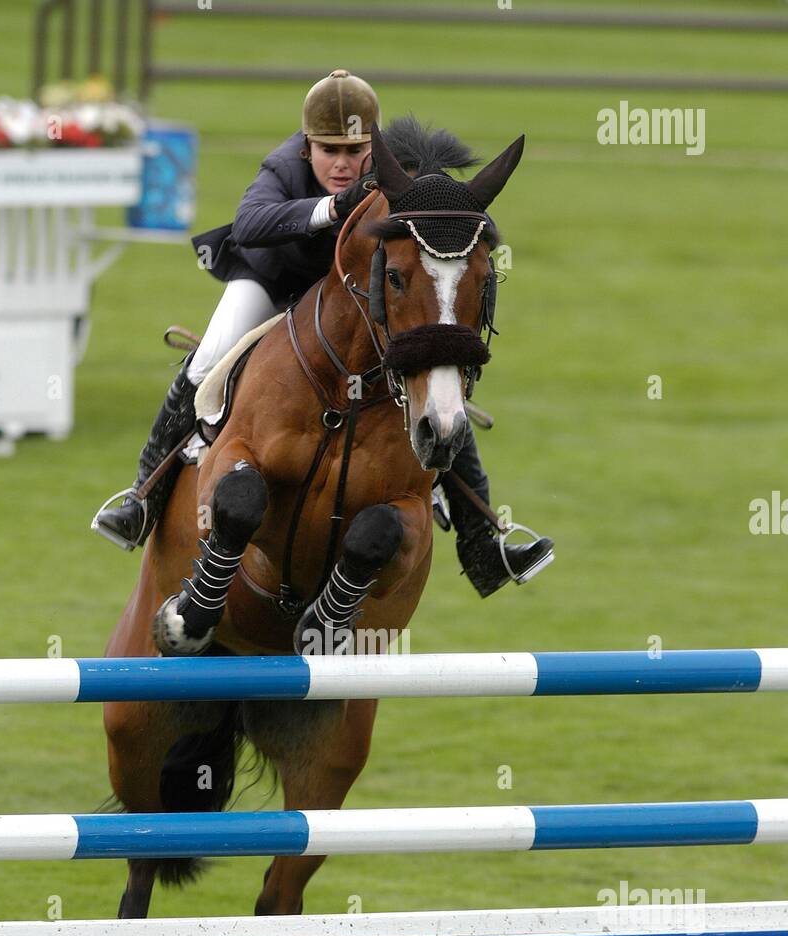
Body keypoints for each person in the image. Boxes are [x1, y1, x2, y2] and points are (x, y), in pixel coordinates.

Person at [91, 70, 553, 596]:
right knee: (211, 356)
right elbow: (249, 223)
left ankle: (482, 543)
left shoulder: (395, 176)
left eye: (355, 150)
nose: (341, 162)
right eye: (328, 149)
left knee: (436, 386)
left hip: (351, 305)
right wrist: (332, 207)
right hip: (275, 281)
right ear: (307, 145)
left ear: (373, 145)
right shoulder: (284, 166)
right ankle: (143, 497)